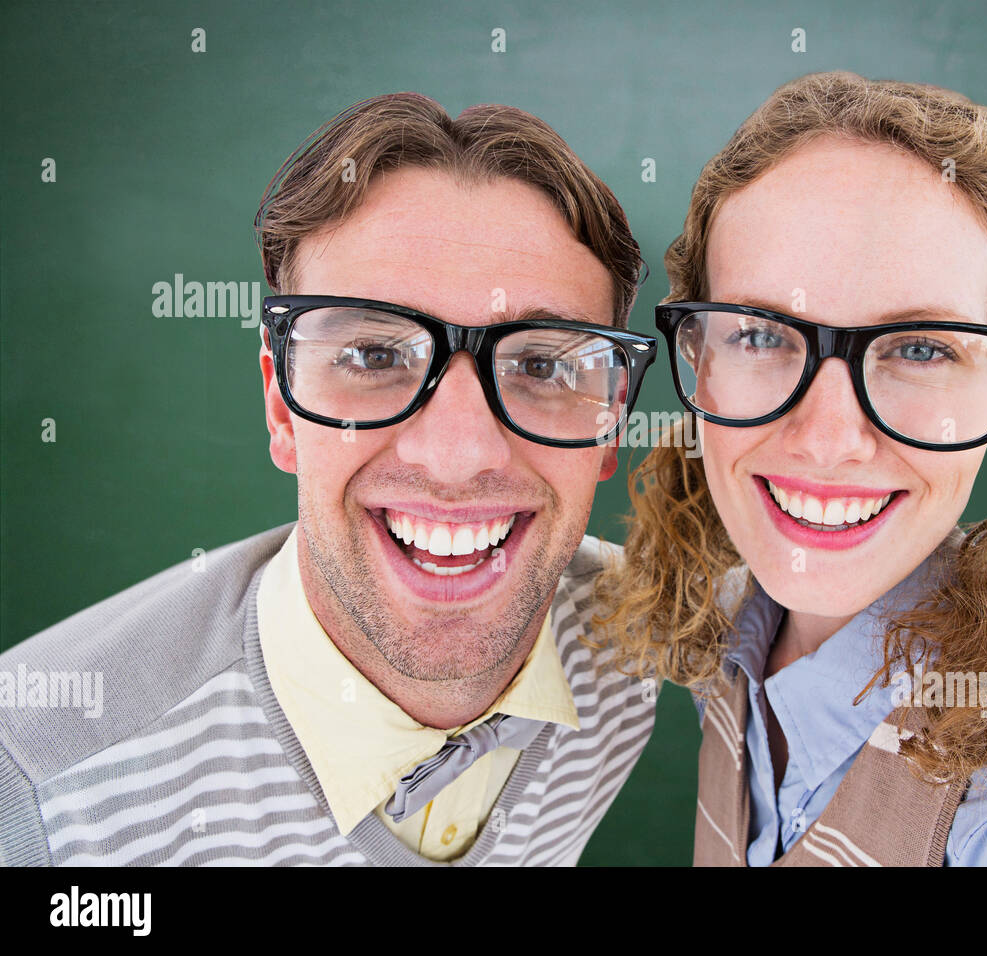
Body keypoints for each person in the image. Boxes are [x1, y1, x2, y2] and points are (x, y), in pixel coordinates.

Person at [0, 92, 659, 866]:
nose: (457, 454)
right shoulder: (42, 794)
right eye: (374, 356)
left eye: (542, 365)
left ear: (610, 424)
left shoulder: (642, 633)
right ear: (283, 410)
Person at [595, 71, 987, 866]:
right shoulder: (733, 639)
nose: (826, 439)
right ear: (701, 355)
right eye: (758, 333)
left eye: (921, 348)